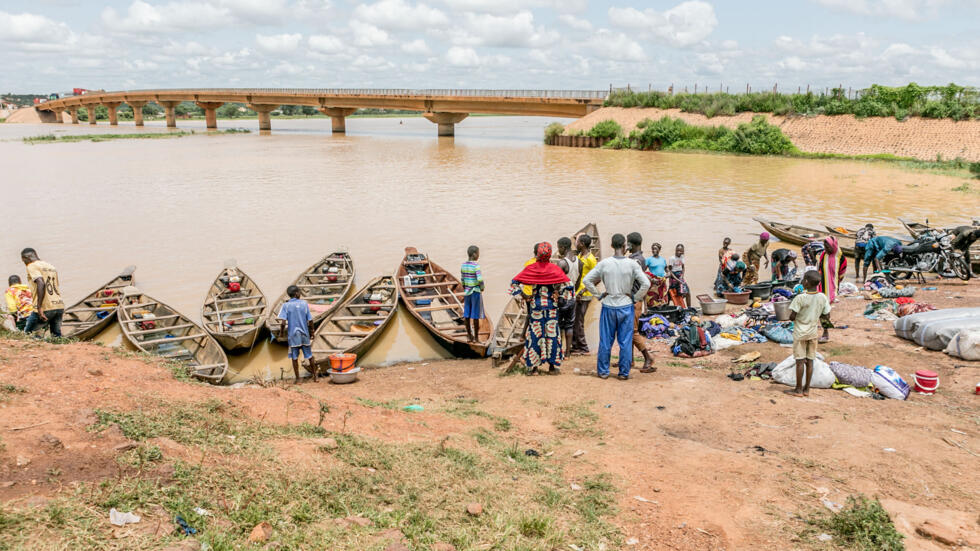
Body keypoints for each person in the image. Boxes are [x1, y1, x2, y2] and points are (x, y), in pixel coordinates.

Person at [582, 234, 650, 380]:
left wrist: (598, 295)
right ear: (624, 246)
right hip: (626, 305)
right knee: (625, 341)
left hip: (608, 305)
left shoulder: (605, 263)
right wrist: (635, 297)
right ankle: (624, 373)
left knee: (606, 340)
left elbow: (587, 280)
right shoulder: (632, 264)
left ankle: (603, 371)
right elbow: (646, 283)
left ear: (612, 246)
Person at [510, 242, 572, 375]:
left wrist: (525, 296)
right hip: (551, 308)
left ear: (537, 254)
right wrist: (559, 295)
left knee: (535, 336)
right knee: (552, 336)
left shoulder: (531, 268)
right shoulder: (554, 269)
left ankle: (534, 368)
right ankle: (552, 367)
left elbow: (514, 284)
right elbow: (569, 286)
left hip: (536, 306)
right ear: (549, 255)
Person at [786, 271, 831, 397]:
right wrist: (816, 314)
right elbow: (827, 315)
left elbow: (792, 317)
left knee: (800, 361)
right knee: (810, 361)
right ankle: (807, 389)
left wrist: (796, 316)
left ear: (805, 282)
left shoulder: (800, 298)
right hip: (813, 333)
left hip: (800, 333)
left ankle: (798, 389)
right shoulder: (822, 297)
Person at [277, 285, 318, 383]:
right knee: (309, 356)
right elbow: (310, 320)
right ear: (296, 294)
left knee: (294, 358)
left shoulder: (285, 305)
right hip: (304, 334)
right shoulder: (304, 304)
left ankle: (298, 379)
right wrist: (312, 332)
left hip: (293, 336)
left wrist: (281, 334)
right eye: (299, 292)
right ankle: (315, 377)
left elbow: (283, 323)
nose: (300, 294)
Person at [627, 232, 655, 373]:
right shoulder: (637, 258)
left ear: (631, 244)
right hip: (634, 298)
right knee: (628, 330)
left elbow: (633, 280)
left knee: (633, 331)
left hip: (633, 299)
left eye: (628, 243)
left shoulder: (636, 261)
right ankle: (629, 359)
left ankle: (647, 357)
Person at [21, 248, 65, 337]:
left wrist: (39, 307)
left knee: (29, 336)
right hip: (59, 305)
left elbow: (41, 283)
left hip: (45, 307)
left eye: (23, 261)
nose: (24, 263)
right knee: (57, 337)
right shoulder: (51, 267)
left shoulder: (31, 265)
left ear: (26, 258)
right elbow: (56, 286)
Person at [571, 233, 597, 355]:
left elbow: (597, 278)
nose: (575, 244)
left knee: (579, 320)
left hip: (584, 294)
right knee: (575, 320)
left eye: (577, 242)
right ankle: (575, 345)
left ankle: (584, 348)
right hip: (576, 292)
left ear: (582, 244)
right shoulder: (580, 256)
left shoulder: (591, 259)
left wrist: (583, 291)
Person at [556, 237, 579, 355]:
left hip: (562, 298)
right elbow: (578, 281)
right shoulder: (578, 261)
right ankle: (568, 352)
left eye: (558, 247)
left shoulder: (562, 263)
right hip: (572, 297)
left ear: (563, 247)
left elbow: (557, 282)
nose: (558, 250)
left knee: (559, 325)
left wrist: (555, 293)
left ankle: (558, 350)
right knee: (569, 325)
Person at [460, 245, 485, 343]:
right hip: (475, 292)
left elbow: (462, 279)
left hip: (467, 292)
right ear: (474, 254)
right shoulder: (476, 266)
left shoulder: (463, 265)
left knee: (467, 314)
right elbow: (480, 279)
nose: (479, 255)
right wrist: (482, 288)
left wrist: (465, 287)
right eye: (478, 253)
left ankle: (469, 336)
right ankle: (476, 338)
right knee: (475, 315)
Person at [818, 237, 847, 303]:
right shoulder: (824, 254)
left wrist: (838, 280)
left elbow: (842, 271)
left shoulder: (840, 257)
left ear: (833, 246)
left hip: (834, 282)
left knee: (831, 296)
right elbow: (820, 266)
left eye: (827, 247)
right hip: (823, 280)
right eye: (824, 247)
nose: (826, 249)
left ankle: (832, 298)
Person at [644, 242, 669, 307]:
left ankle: (661, 315)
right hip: (654, 283)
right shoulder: (648, 260)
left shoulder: (663, 260)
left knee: (662, 301)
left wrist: (667, 275)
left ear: (659, 250)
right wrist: (651, 279)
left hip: (662, 282)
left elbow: (667, 270)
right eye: (652, 249)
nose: (653, 250)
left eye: (655, 249)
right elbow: (642, 271)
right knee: (652, 300)